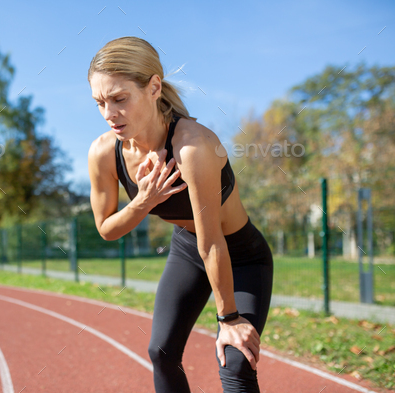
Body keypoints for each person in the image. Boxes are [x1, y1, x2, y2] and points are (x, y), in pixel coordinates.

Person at [87, 36, 274, 393]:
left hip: (240, 255)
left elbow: (213, 240)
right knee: (161, 351)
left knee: (236, 361)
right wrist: (143, 200)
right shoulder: (103, 153)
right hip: (188, 250)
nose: (109, 114)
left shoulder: (193, 147)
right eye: (99, 103)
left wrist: (229, 319)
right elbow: (106, 229)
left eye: (119, 99)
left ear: (154, 87)